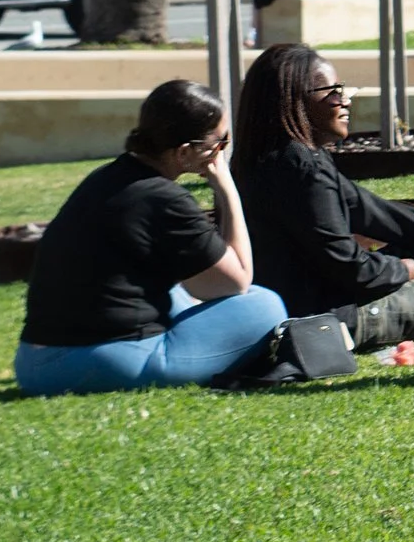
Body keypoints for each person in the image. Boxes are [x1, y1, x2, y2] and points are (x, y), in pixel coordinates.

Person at [14, 80, 285, 395]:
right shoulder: (164, 198)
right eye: (220, 143)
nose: (222, 152)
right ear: (184, 152)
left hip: (32, 364)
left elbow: (199, 284)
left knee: (178, 293)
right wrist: (227, 188)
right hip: (95, 362)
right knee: (265, 305)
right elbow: (235, 282)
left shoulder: (107, 178)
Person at [232, 44, 414, 350]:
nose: (346, 101)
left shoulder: (270, 158)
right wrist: (402, 270)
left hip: (321, 300)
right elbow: (346, 266)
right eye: (333, 92)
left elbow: (375, 212)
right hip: (329, 315)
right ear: (295, 101)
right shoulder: (301, 167)